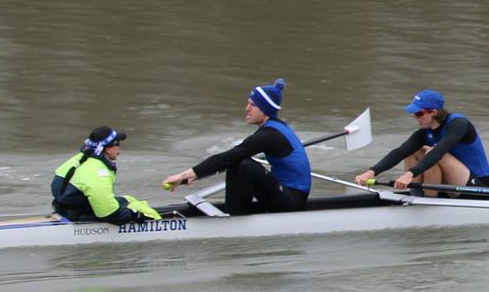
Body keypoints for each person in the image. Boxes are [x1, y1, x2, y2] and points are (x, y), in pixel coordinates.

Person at [161, 79, 311, 214]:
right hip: (286, 194)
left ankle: (235, 217)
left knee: (243, 164)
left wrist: (182, 176)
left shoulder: (269, 135)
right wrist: (194, 175)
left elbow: (225, 159)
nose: (247, 108)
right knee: (239, 161)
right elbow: (225, 161)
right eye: (248, 103)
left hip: (292, 203)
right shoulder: (276, 127)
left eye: (253, 105)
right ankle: (237, 214)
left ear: (265, 109)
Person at [356, 89, 489, 193]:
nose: (416, 117)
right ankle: (417, 195)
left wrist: (409, 174)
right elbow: (400, 151)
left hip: (477, 186)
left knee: (432, 152)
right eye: (414, 114)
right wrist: (371, 172)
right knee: (412, 151)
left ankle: (429, 203)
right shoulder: (425, 132)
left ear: (434, 112)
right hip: (453, 183)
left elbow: (439, 152)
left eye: (419, 113)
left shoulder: (458, 124)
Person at [51, 127, 163, 224]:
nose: (119, 148)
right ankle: (160, 226)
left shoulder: (80, 159)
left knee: (128, 199)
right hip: (80, 215)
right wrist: (134, 215)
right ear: (108, 150)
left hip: (68, 210)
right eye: (117, 144)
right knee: (141, 210)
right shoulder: (98, 172)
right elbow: (108, 213)